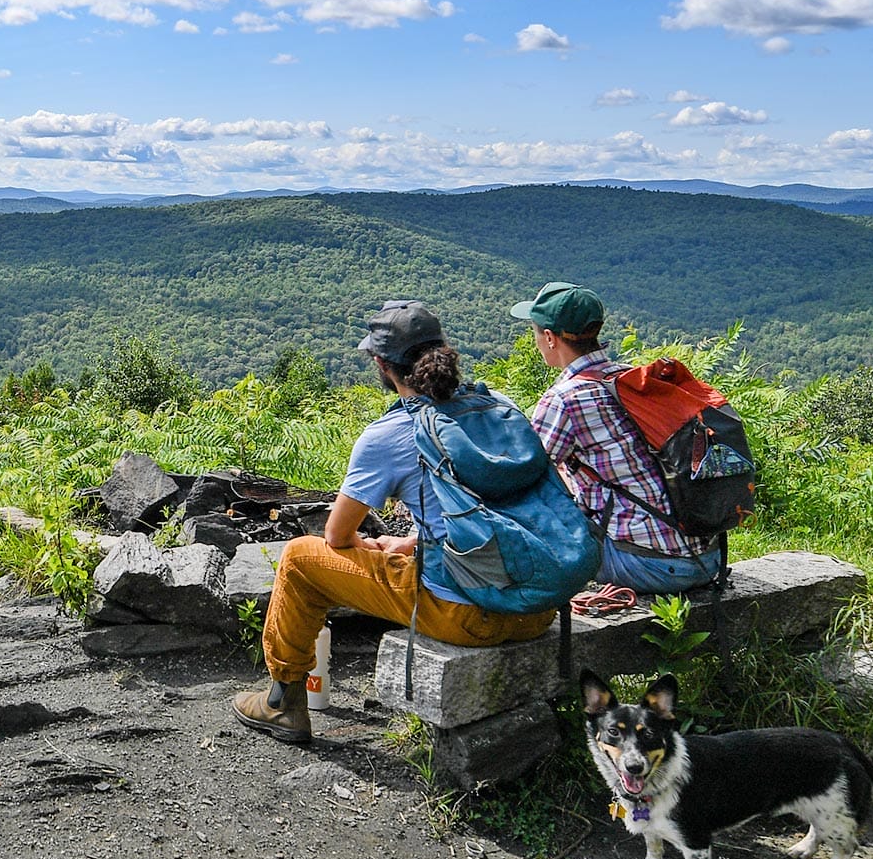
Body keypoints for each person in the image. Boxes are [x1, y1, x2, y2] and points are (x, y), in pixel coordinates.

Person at [231, 301, 557, 744]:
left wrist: (375, 547)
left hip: (466, 615)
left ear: (382, 365)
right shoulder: (496, 405)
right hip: (536, 606)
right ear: (444, 351)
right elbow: (488, 507)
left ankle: (281, 703)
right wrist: (415, 543)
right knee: (386, 552)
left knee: (298, 558)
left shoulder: (387, 435)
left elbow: (338, 536)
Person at [510, 282, 726, 595]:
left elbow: (522, 475)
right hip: (708, 558)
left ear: (549, 337)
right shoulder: (630, 380)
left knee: (532, 520)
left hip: (651, 566)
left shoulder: (564, 399)